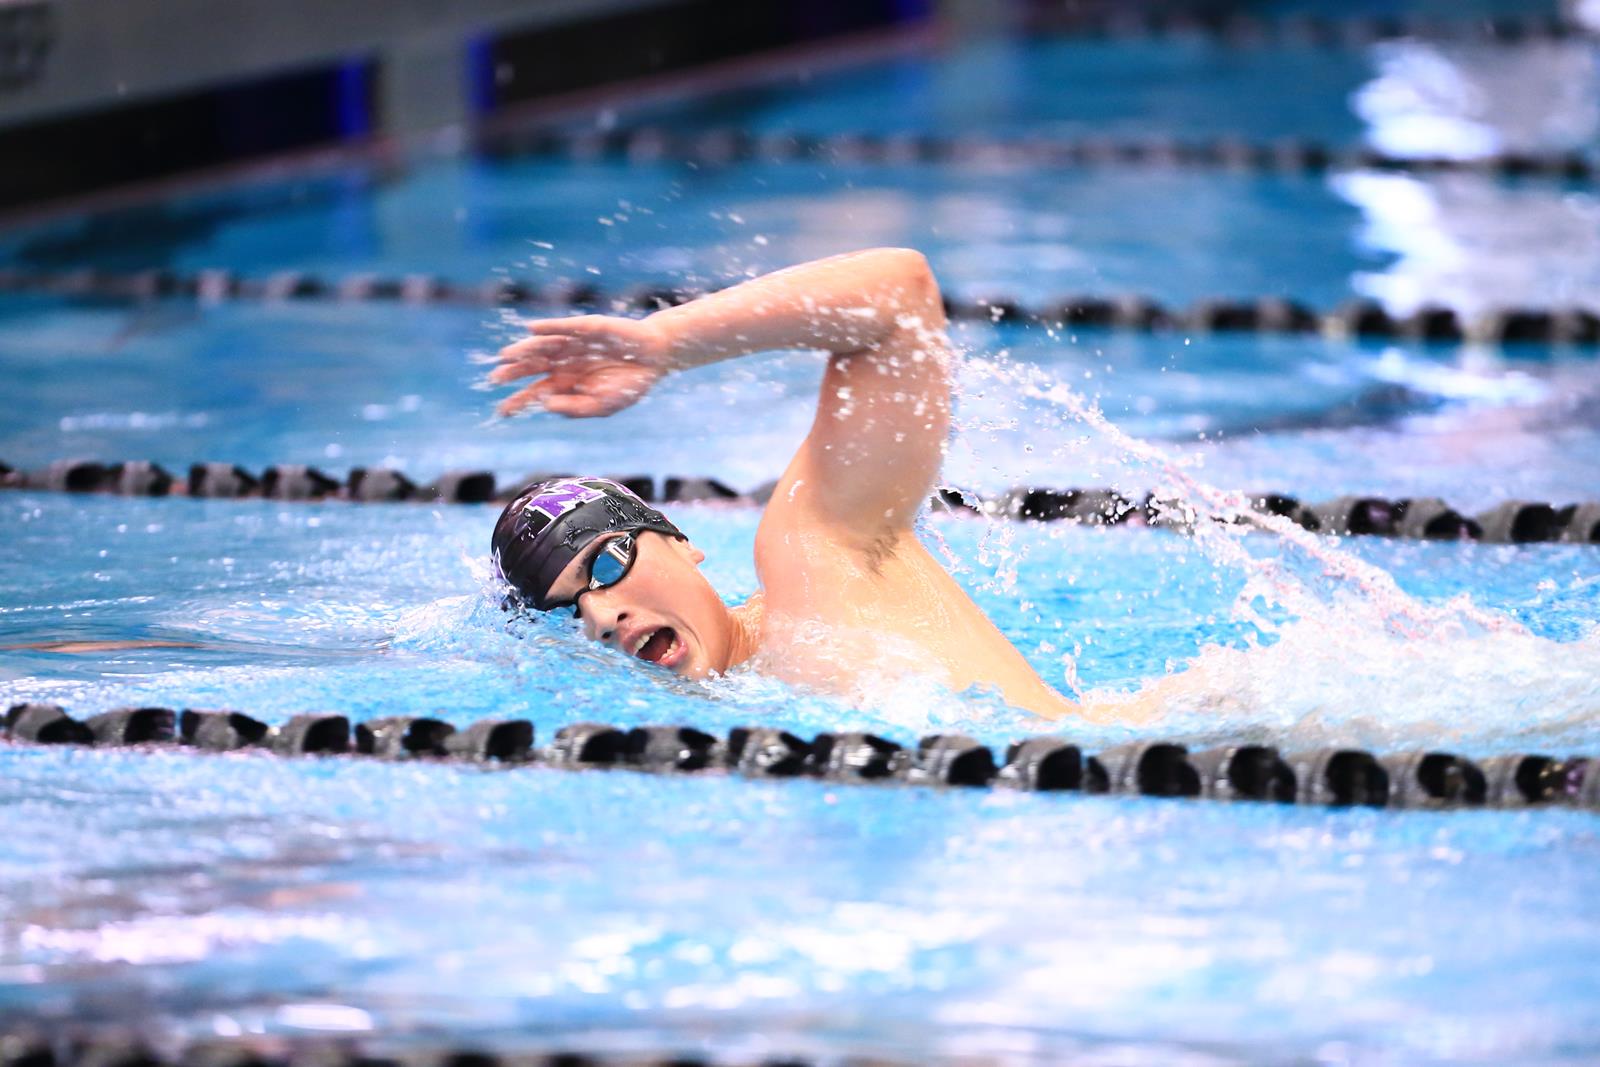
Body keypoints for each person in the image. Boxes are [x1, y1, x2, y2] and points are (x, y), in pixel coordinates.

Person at [489, 248, 1082, 719]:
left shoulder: (814, 569)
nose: (599, 617)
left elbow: (900, 294)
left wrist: (665, 343)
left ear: (679, 540)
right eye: (568, 611)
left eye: (608, 563)